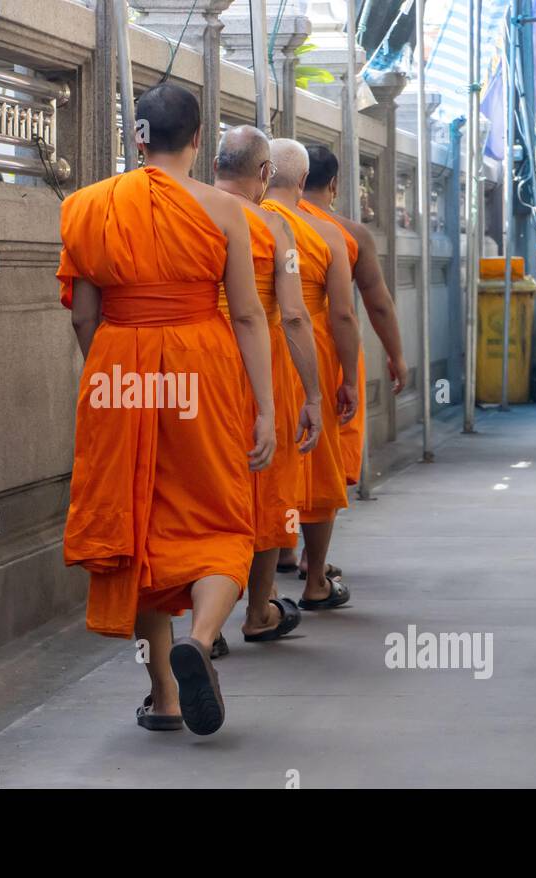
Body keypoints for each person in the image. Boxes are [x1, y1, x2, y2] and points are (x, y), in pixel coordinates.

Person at [56, 83, 276, 736]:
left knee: (139, 524)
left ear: (138, 137)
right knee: (219, 513)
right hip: (201, 368)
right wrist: (264, 406)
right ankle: (202, 640)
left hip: (120, 367)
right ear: (199, 140)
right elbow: (245, 313)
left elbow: (84, 314)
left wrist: (115, 368)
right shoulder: (226, 211)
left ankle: (165, 696)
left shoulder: (89, 208)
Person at [210, 125, 323, 652]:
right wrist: (314, 396)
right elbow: (296, 317)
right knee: (264, 485)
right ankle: (258, 611)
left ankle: (198, 627)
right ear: (263, 175)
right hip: (262, 366)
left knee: (200, 489)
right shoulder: (277, 230)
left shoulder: (188, 210)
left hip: (195, 363)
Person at [258, 138, 360, 610]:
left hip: (252, 350)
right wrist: (350, 380)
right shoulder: (327, 233)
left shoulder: (241, 220)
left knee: (261, 465)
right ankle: (315, 578)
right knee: (316, 464)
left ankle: (265, 594)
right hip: (309, 352)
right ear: (303, 182)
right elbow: (343, 316)